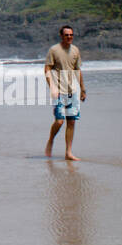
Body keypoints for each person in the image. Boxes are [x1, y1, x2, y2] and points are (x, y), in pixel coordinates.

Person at [44, 25, 86, 160]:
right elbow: (47, 69)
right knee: (60, 121)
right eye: (67, 35)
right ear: (61, 36)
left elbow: (78, 70)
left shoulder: (75, 50)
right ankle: (51, 140)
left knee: (71, 122)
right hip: (59, 91)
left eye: (71, 35)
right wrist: (52, 88)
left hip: (72, 91)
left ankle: (68, 152)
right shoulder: (54, 50)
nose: (69, 37)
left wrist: (82, 89)